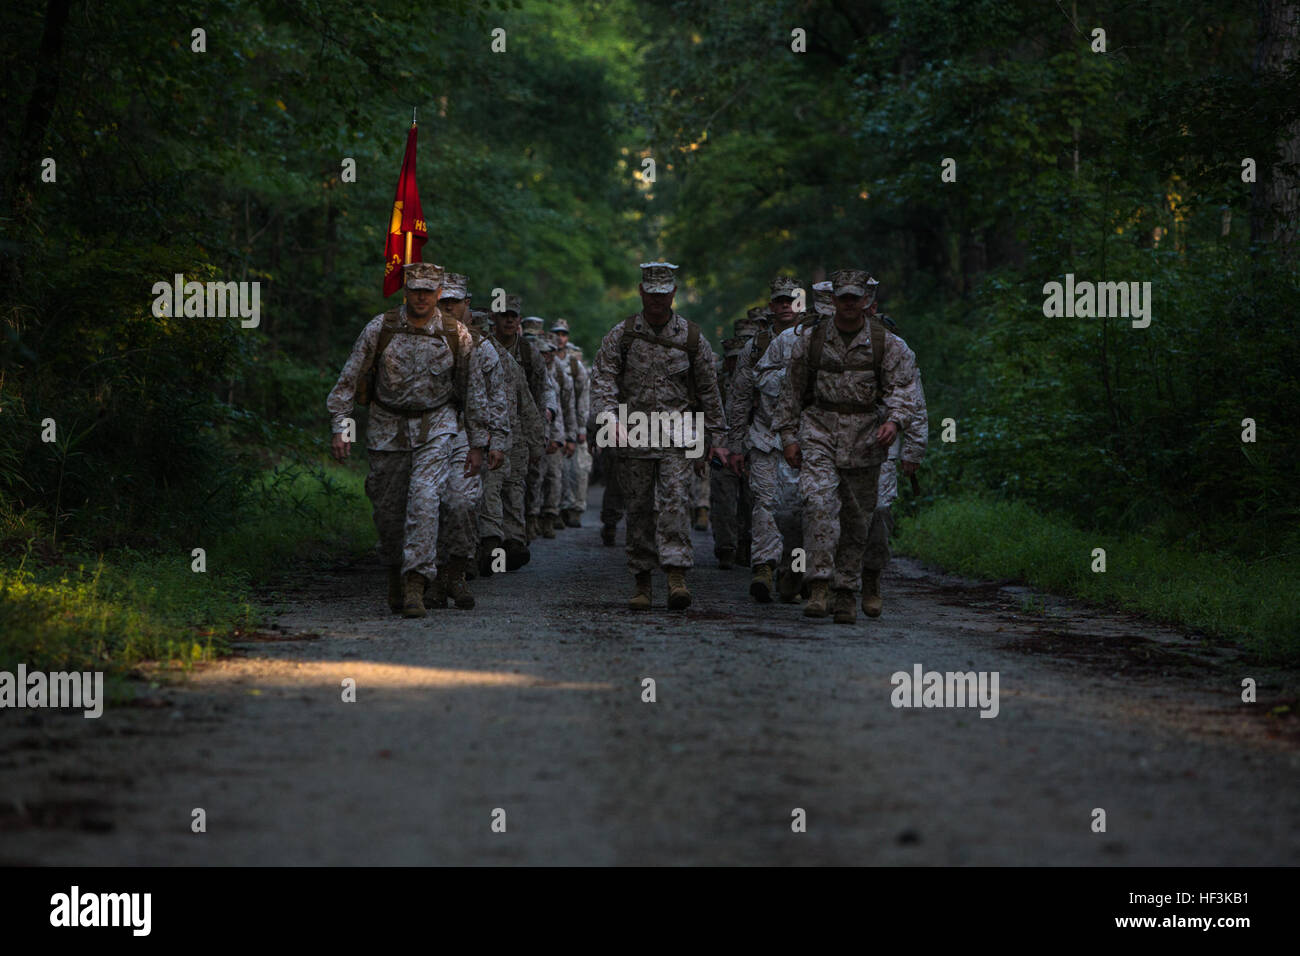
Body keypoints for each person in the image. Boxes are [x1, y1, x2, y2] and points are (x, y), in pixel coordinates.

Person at [326, 262, 489, 618]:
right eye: (416, 289)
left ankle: (417, 581)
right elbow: (348, 380)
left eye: (429, 291)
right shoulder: (380, 328)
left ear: (439, 293)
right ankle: (394, 573)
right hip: (387, 426)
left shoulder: (455, 334)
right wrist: (341, 425)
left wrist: (477, 443)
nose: (421, 297)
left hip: (437, 425)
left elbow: (473, 391)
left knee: (425, 498)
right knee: (389, 512)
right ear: (406, 291)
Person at [771, 268, 923, 624]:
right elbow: (791, 393)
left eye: (857, 297)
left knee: (858, 519)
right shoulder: (811, 340)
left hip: (865, 437)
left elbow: (904, 390)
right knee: (819, 505)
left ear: (866, 299)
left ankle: (846, 591)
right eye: (844, 297)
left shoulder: (887, 344)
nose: (850, 303)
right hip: (819, 431)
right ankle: (819, 585)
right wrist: (789, 438)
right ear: (834, 299)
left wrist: (894, 421)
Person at [589, 261, 730, 610]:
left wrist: (717, 441)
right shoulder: (621, 336)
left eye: (663, 294)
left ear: (674, 293)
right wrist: (610, 420)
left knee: (674, 503)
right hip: (632, 433)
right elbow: (603, 381)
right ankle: (641, 580)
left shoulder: (692, 338)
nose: (657, 300)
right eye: (651, 293)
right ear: (641, 291)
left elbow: (709, 393)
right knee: (638, 508)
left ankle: (676, 576)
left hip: (678, 435)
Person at [727, 276, 805, 602]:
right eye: (780, 301)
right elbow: (740, 396)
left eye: (791, 300)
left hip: (804, 440)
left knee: (801, 509)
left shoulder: (814, 341)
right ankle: (764, 566)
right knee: (765, 503)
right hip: (764, 436)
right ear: (771, 306)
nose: (785, 306)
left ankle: (794, 570)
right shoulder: (755, 347)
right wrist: (734, 445)